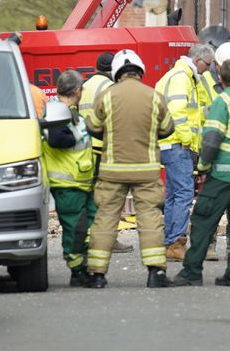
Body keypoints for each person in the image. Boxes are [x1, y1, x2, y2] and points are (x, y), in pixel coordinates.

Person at [82, 50, 176, 289]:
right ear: (140, 70)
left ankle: (96, 275)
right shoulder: (153, 96)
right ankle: (156, 273)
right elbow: (168, 128)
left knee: (105, 218)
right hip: (146, 170)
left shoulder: (106, 96)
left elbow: (92, 127)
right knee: (150, 218)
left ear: (116, 73)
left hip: (113, 170)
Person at [170, 58, 230, 288]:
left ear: (220, 78)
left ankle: (192, 272)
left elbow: (211, 140)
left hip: (222, 176)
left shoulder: (223, 102)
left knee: (203, 220)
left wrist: (203, 166)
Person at [154, 43, 215, 262]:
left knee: (174, 194)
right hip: (178, 144)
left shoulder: (179, 76)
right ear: (198, 60)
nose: (208, 69)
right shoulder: (182, 78)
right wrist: (189, 141)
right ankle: (176, 243)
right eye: (207, 64)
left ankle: (170, 241)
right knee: (183, 193)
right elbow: (178, 113)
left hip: (170, 144)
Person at [41, 69, 96, 286]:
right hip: (67, 184)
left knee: (88, 227)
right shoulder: (57, 111)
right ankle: (77, 271)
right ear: (77, 90)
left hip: (81, 182)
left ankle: (86, 267)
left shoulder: (67, 111)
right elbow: (56, 140)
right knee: (76, 229)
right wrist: (78, 133)